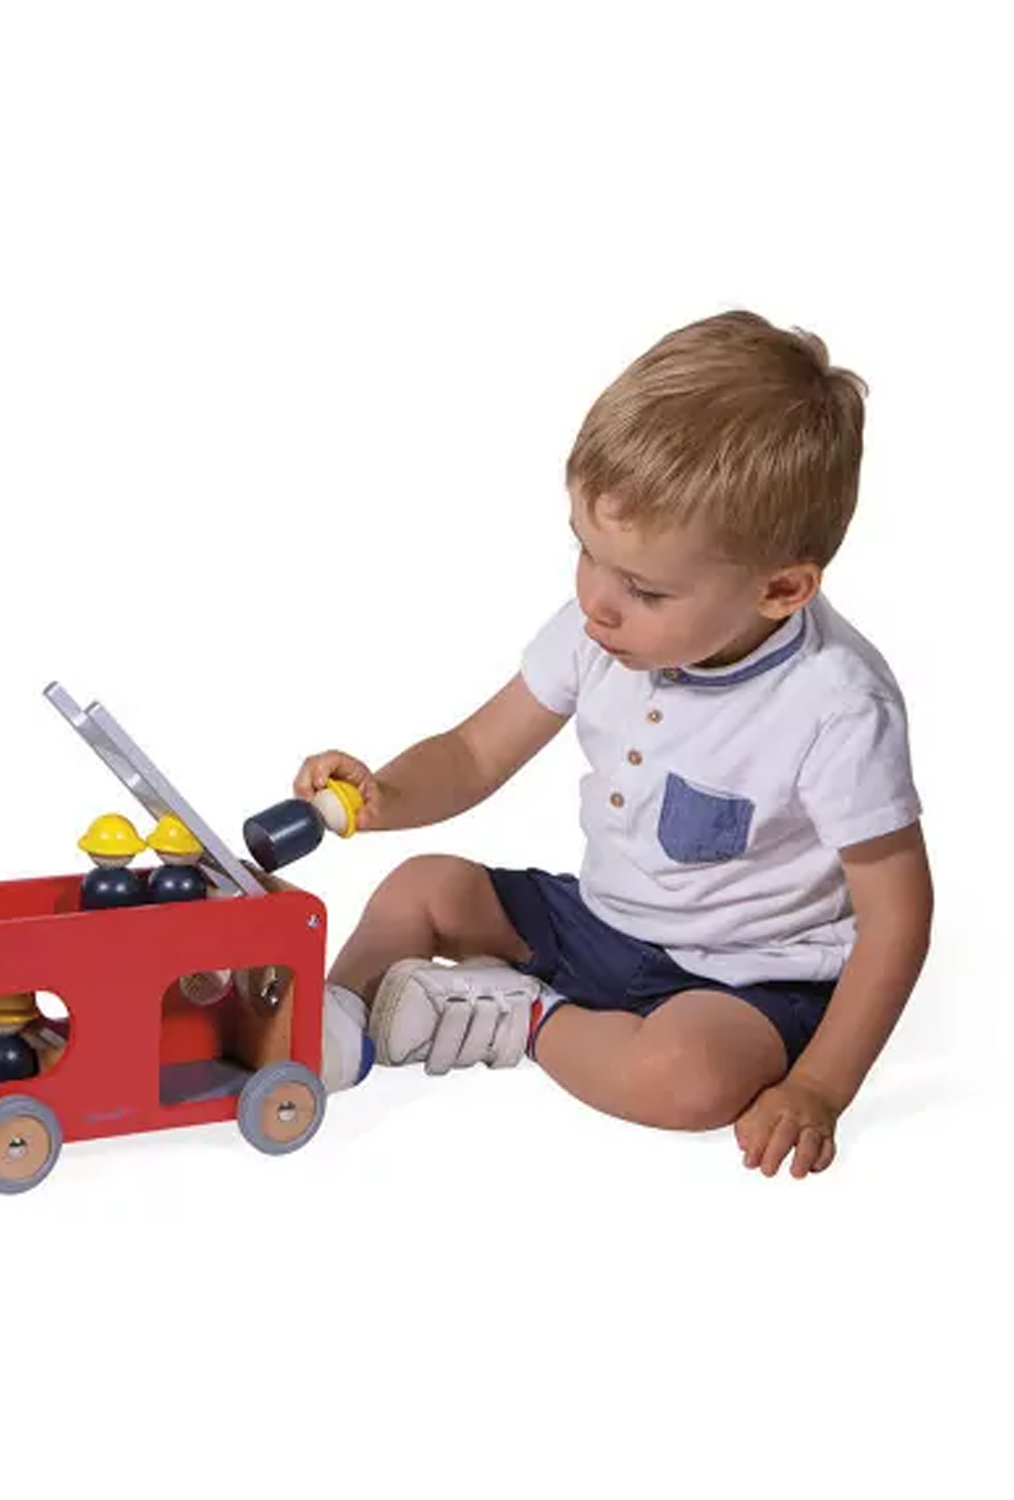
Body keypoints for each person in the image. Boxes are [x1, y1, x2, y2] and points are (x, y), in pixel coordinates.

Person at [309, 310, 932, 1180]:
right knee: (422, 886)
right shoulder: (602, 630)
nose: (596, 601)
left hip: (743, 980)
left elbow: (898, 916)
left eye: (643, 588)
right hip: (597, 922)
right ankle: (332, 1025)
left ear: (781, 589)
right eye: (585, 551)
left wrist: (820, 1086)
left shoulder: (835, 706)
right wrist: (386, 794)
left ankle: (524, 1018)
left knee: (690, 1079)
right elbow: (475, 754)